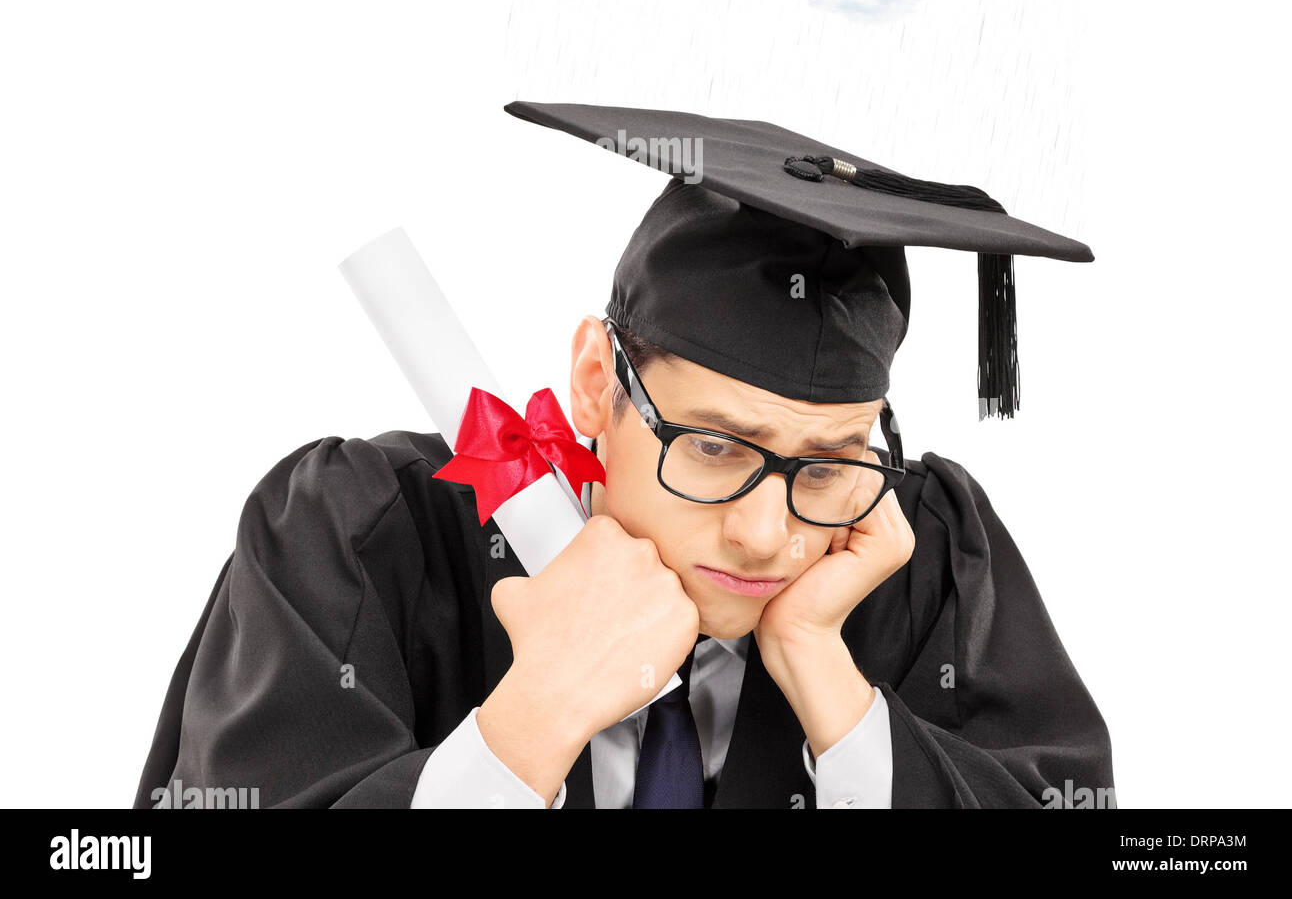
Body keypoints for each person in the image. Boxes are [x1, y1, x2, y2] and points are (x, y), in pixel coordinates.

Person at [133, 102, 1114, 809]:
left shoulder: (918, 554)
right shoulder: (357, 536)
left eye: (825, 461)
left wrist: (829, 682)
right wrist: (526, 722)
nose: (769, 534)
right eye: (719, 445)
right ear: (598, 381)